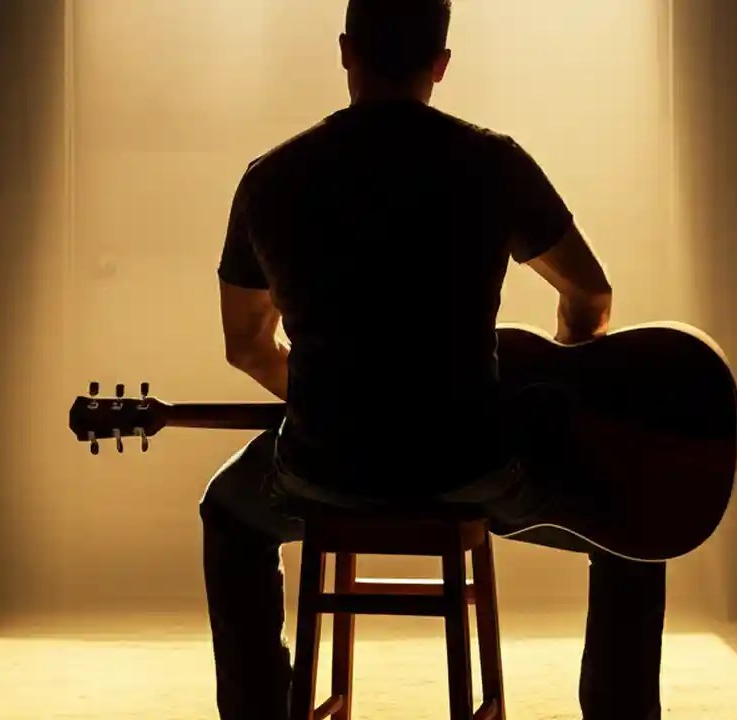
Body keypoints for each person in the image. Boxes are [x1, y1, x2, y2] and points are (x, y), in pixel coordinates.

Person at [199, 0, 665, 717]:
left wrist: (324, 399)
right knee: (640, 517)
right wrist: (558, 375)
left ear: (346, 51)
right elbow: (590, 294)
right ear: (441, 65)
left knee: (228, 514)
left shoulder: (272, 179)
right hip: (471, 466)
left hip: (323, 469)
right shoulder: (492, 163)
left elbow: (246, 345)